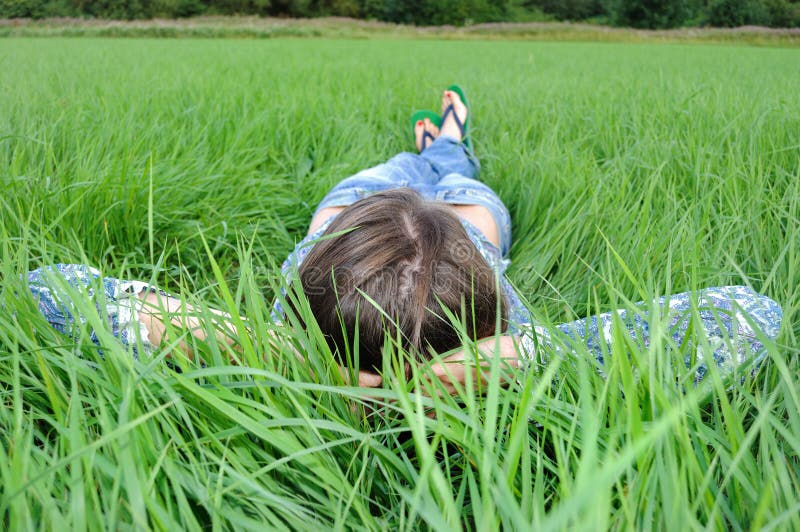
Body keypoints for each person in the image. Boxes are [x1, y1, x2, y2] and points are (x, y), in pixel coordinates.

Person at [23, 87, 783, 389]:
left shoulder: (303, 313)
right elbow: (749, 315)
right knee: (429, 176)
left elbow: (51, 288)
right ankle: (441, 139)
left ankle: (447, 138)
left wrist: (254, 347)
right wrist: (503, 364)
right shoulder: (503, 315)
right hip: (425, 222)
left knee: (441, 173)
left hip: (398, 221)